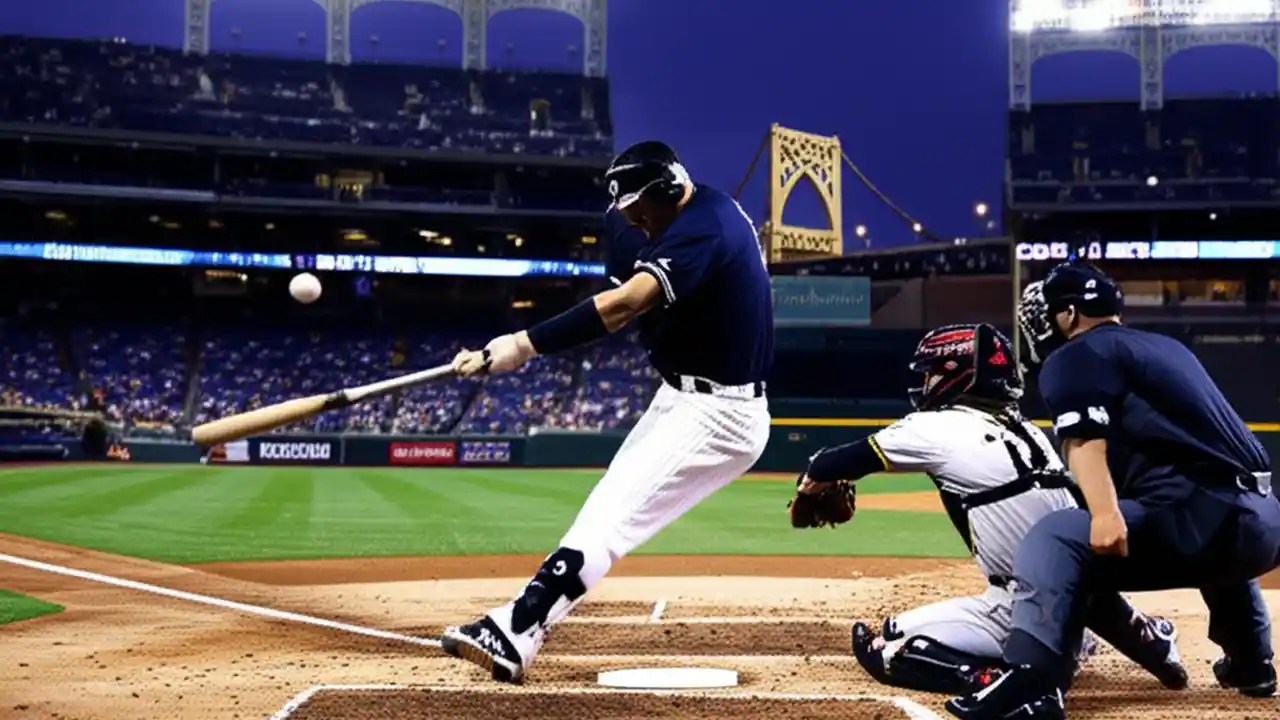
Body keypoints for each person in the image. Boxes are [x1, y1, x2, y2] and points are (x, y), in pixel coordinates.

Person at [440, 140, 774, 683]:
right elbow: (627, 278)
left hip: (720, 415)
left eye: (643, 213)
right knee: (602, 510)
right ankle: (518, 627)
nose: (637, 224)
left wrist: (520, 345)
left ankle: (518, 630)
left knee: (611, 519)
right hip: (683, 396)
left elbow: (621, 306)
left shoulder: (706, 225)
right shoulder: (668, 217)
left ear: (668, 194)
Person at [946, 262, 1280, 719]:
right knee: (1209, 527)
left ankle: (1032, 680)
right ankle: (1252, 663)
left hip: (1204, 518)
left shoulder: (1075, 354)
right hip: (1262, 523)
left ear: (1068, 315)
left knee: (1055, 537)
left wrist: (1103, 514)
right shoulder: (1166, 349)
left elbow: (1084, 437)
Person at [796, 323, 1187, 697]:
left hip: (1021, 610)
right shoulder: (1029, 429)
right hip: (1080, 603)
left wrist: (811, 487)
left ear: (957, 375)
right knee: (1072, 571)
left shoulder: (935, 427)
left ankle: (988, 680)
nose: (926, 382)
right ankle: (1148, 638)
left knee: (886, 644)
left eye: (933, 373)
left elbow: (830, 463)